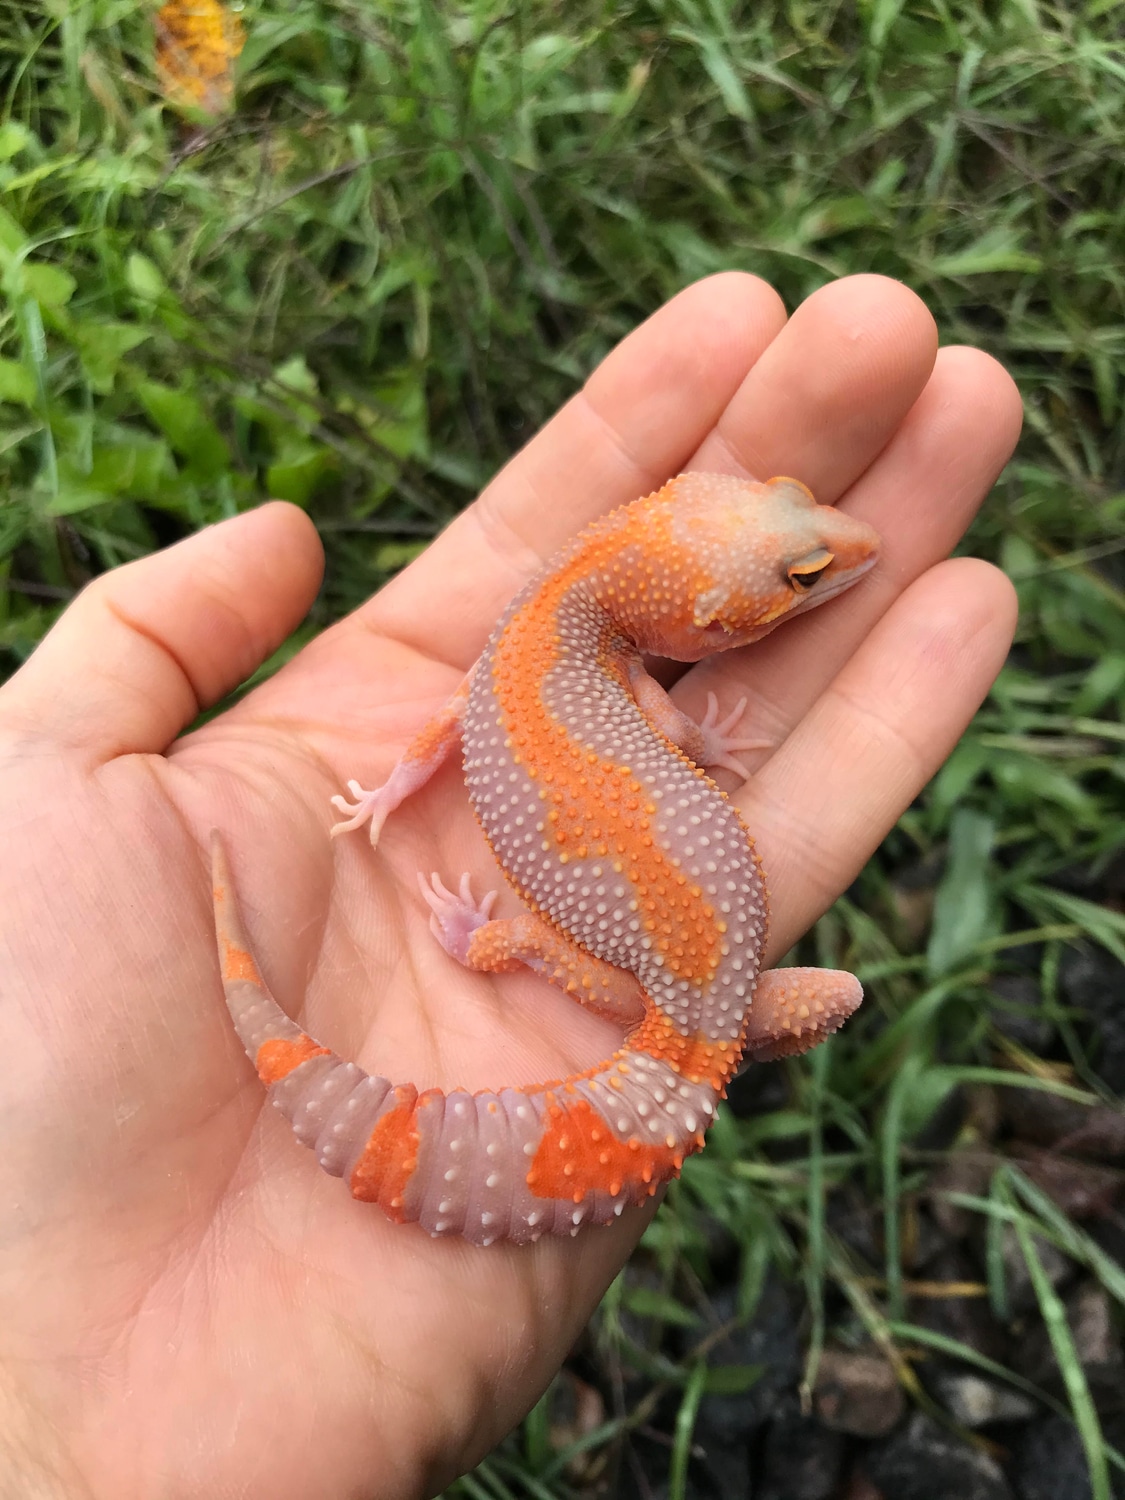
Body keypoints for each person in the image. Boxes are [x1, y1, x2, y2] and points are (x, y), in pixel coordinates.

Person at [0, 273, 1020, 1499]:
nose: (837, 556)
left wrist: (519, 934)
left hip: (678, 1006)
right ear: (694, 619)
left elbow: (465, 720)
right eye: (801, 574)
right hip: (694, 1006)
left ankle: (646, 1008)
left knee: (783, 996)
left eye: (796, 537)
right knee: (841, 991)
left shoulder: (547, 629)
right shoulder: (602, 659)